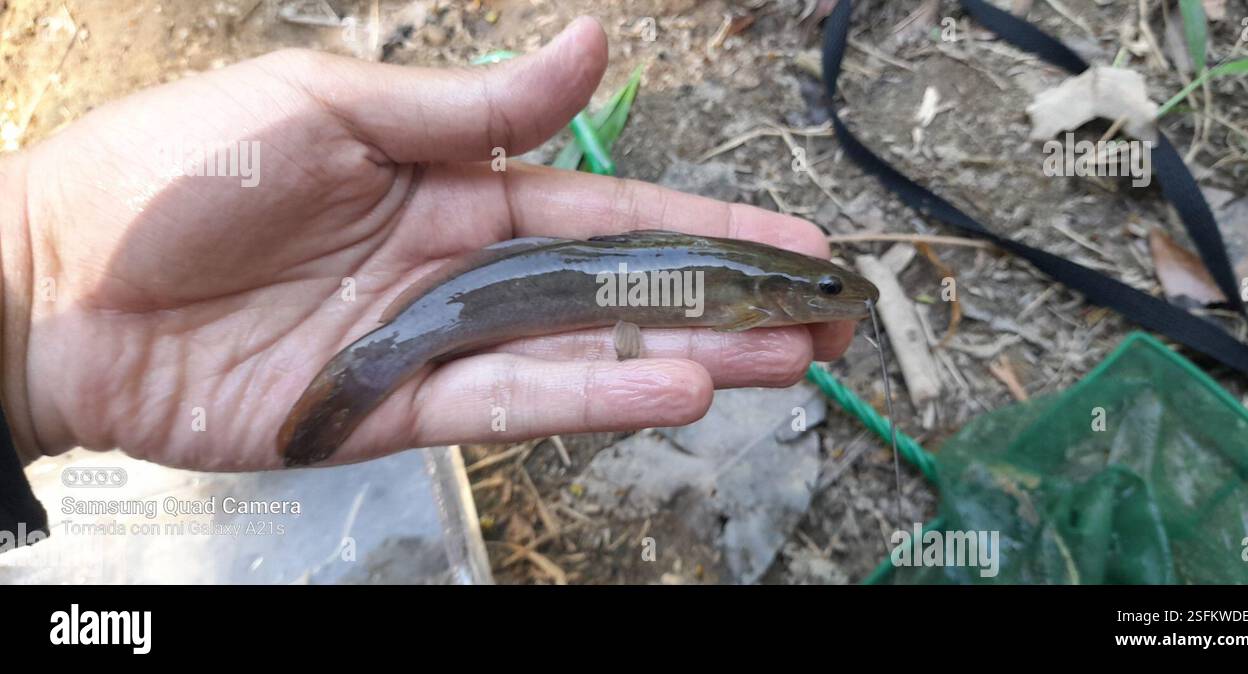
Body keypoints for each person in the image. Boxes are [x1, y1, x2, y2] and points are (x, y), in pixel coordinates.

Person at [0, 17, 855, 540]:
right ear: (776, 290)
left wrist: (34, 312)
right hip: (468, 301)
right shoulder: (748, 285)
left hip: (487, 294)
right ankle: (359, 381)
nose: (835, 300)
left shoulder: (753, 286)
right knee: (422, 335)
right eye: (822, 291)